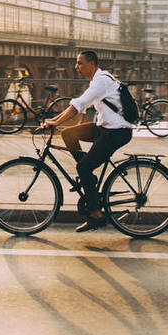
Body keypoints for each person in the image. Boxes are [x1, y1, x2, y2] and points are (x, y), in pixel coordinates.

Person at [41, 50, 133, 232]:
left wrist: (55, 122)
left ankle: (96, 215)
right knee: (68, 134)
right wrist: (54, 121)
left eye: (80, 63)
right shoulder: (98, 79)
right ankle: (89, 179)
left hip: (116, 131)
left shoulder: (101, 81)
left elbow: (78, 105)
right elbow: (77, 104)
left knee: (82, 167)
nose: (76, 67)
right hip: (104, 127)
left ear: (92, 64)